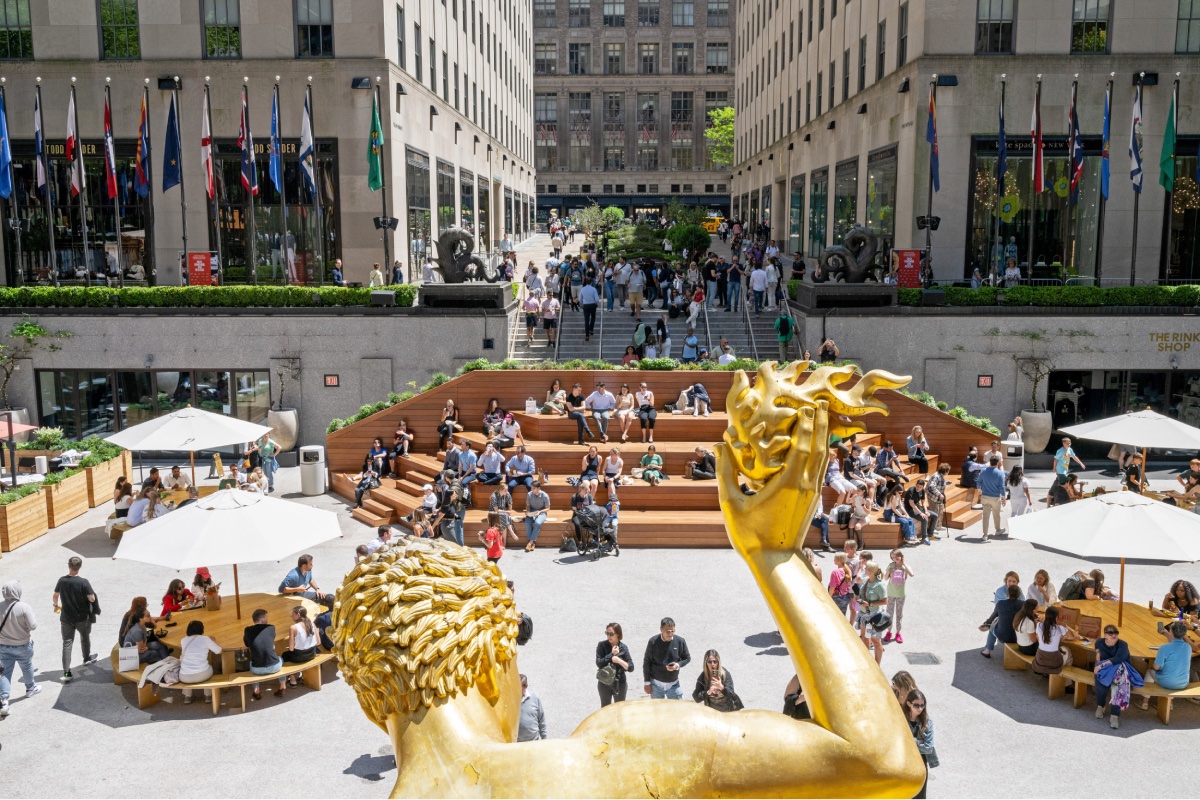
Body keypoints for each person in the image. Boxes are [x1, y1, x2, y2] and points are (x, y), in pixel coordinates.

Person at [53, 557, 98, 683]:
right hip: (82, 618)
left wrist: (56, 605)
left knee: (67, 643)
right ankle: (86, 658)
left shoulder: (62, 581)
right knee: (85, 637)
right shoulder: (84, 582)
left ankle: (67, 672)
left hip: (66, 618)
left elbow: (55, 596)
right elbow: (92, 599)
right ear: (80, 566)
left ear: (69, 566)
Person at [0, 580, 39, 716]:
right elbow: (33, 626)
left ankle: (4, 701)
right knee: (27, 667)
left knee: (4, 673)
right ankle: (30, 689)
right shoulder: (23, 607)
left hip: (3, 646)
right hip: (23, 645)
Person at [1093, 625, 1144, 729]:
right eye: (1110, 633)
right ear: (1105, 635)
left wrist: (1101, 665)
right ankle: (1101, 706)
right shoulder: (1099, 642)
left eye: (1116, 633)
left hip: (1120, 667)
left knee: (1118, 686)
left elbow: (1118, 659)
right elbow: (1097, 649)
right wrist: (1097, 653)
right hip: (1107, 668)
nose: (1114, 635)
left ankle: (1114, 715)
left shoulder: (1122, 644)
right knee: (1100, 683)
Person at [243, 608, 286, 700]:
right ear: (262, 619)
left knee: (251, 663)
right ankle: (282, 685)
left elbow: (247, 644)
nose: (267, 619)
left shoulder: (247, 630)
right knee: (280, 658)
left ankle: (256, 690)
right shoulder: (271, 628)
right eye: (266, 617)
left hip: (257, 669)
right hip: (274, 667)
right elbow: (270, 642)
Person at [643, 617, 691, 699]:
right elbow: (647, 662)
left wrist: (677, 665)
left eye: (672, 631)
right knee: (657, 710)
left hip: (674, 684)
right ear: (661, 629)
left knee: (676, 710)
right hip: (656, 685)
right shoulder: (653, 641)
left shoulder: (680, 641)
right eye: (667, 631)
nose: (670, 633)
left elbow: (687, 658)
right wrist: (647, 682)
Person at [979, 571, 1024, 658]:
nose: (1011, 583)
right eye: (1009, 581)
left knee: (992, 626)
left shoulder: (1001, 603)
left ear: (1008, 594)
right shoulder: (1023, 603)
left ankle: (987, 651)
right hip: (1018, 634)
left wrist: (988, 622)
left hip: (1004, 631)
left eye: (1013, 581)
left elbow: (996, 613)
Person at [178, 620, 222, 703]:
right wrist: (213, 642)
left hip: (184, 677)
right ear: (201, 629)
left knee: (187, 668)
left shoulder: (183, 640)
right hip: (202, 675)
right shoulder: (205, 639)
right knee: (208, 666)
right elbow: (219, 651)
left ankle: (187, 697)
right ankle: (208, 695)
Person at [905, 689, 938, 799]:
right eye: (916, 705)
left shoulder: (927, 722)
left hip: (920, 762)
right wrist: (919, 741)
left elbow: (928, 747)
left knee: (919, 796)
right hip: (904, 762)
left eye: (922, 705)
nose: (920, 708)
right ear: (909, 704)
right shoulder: (901, 719)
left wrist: (910, 742)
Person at [1031, 606, 1080, 676]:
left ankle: (1046, 672)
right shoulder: (1059, 628)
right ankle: (1066, 682)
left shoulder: (1039, 625)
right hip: (1054, 663)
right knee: (1067, 650)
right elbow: (1072, 636)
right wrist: (1064, 624)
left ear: (1045, 615)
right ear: (1057, 617)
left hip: (1040, 661)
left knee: (1060, 649)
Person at [1146, 621, 1194, 692]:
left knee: (1149, 671)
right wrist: (1168, 635)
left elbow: (1156, 667)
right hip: (1183, 683)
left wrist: (1153, 665)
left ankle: (1145, 701)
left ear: (1171, 632)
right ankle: (1170, 701)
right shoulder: (1188, 647)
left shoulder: (1164, 648)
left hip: (1167, 682)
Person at [596, 622, 634, 707]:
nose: (608, 636)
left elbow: (631, 667)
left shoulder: (623, 648)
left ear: (618, 634)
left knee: (619, 709)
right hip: (604, 682)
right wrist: (612, 654)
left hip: (619, 683)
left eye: (611, 634)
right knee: (605, 709)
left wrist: (619, 661)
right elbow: (599, 663)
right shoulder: (602, 645)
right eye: (607, 633)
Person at [857, 562, 888, 666]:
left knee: (875, 641)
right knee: (865, 638)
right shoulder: (866, 581)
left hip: (873, 617)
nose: (865, 569)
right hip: (864, 616)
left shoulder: (879, 585)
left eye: (866, 568)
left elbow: (885, 601)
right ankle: (868, 663)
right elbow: (860, 590)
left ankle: (877, 665)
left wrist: (870, 603)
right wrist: (859, 598)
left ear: (870, 571)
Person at [281, 606, 320, 679]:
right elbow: (318, 642)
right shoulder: (312, 624)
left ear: (298, 615)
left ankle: (292, 679)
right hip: (312, 654)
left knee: (284, 655)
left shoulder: (293, 628)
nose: (291, 616)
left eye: (293, 614)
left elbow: (291, 649)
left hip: (299, 657)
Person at [883, 551, 913, 644]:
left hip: (901, 594)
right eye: (892, 557)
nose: (894, 559)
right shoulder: (891, 565)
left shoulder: (905, 566)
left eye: (896, 557)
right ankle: (889, 632)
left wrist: (903, 564)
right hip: (891, 593)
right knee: (889, 613)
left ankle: (898, 633)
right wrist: (889, 570)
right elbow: (885, 578)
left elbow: (912, 574)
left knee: (899, 614)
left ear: (900, 556)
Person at [978, 455, 1007, 541]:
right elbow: (1002, 487)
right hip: (995, 497)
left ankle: (985, 535)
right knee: (996, 515)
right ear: (998, 463)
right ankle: (997, 530)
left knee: (986, 516)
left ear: (990, 462)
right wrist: (1004, 498)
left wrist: (980, 491)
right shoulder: (1000, 473)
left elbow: (978, 482)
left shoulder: (983, 471)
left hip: (985, 496)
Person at [517, 674, 547, 741]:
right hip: (516, 744)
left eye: (518, 687)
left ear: (525, 686)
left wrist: (544, 739)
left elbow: (541, 719)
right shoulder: (511, 700)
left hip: (533, 742)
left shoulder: (534, 697)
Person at [903, 478, 934, 543]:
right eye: (917, 486)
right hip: (910, 509)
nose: (918, 488)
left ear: (922, 487)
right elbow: (912, 504)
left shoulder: (922, 491)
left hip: (918, 507)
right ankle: (924, 537)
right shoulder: (911, 490)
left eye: (920, 487)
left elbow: (923, 502)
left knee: (935, 516)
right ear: (915, 484)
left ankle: (930, 534)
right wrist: (920, 513)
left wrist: (925, 511)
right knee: (924, 518)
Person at [523, 481, 550, 551]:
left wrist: (540, 512)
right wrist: (528, 511)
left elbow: (548, 508)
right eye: (531, 488)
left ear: (538, 488)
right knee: (527, 522)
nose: (532, 490)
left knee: (537, 523)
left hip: (542, 512)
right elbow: (528, 505)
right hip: (532, 511)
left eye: (534, 488)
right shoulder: (529, 494)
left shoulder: (545, 495)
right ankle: (532, 543)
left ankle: (530, 542)